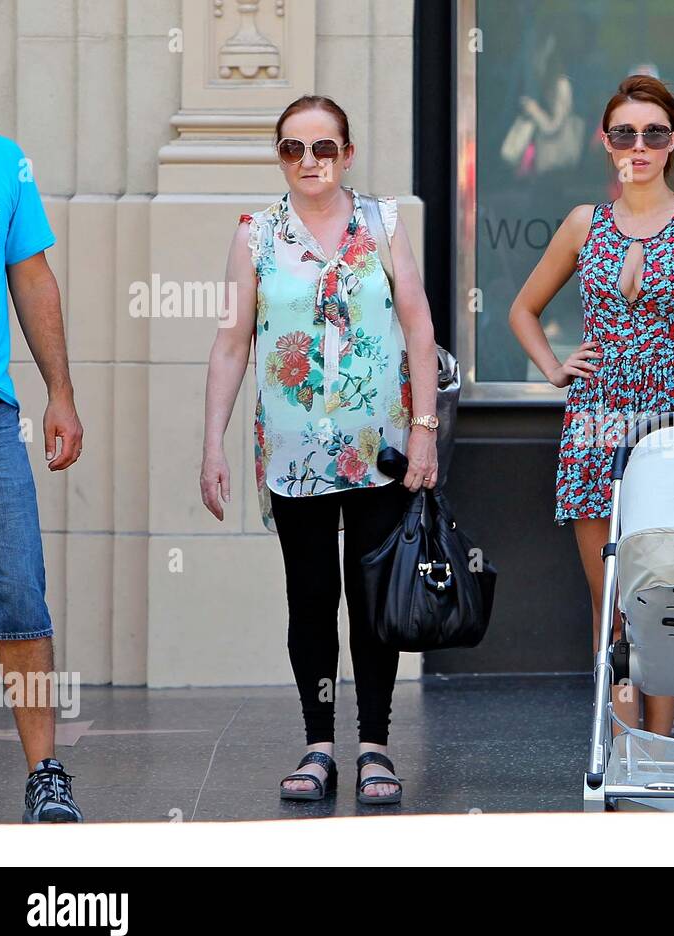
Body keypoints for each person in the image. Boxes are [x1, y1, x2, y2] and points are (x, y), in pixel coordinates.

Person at [200, 95, 440, 806]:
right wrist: (210, 441)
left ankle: (374, 746)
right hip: (293, 451)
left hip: (380, 447)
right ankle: (317, 746)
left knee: (372, 601)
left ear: (348, 152)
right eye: (293, 149)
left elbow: (419, 324)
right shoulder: (255, 234)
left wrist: (423, 427)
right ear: (279, 156)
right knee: (310, 600)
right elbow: (230, 342)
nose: (309, 162)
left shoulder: (384, 222)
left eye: (324, 148)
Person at [509, 75, 674, 735]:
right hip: (593, 418)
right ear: (605, 142)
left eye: (653, 134)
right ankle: (619, 745)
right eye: (624, 133)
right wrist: (556, 367)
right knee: (607, 598)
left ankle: (659, 749)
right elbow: (523, 309)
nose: (638, 146)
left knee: (663, 593)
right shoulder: (585, 222)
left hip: (672, 417)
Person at [0, 129, 85, 822]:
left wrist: (61, 392)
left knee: (20, 595)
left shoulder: (1, 158)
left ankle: (45, 774)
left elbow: (31, 275)